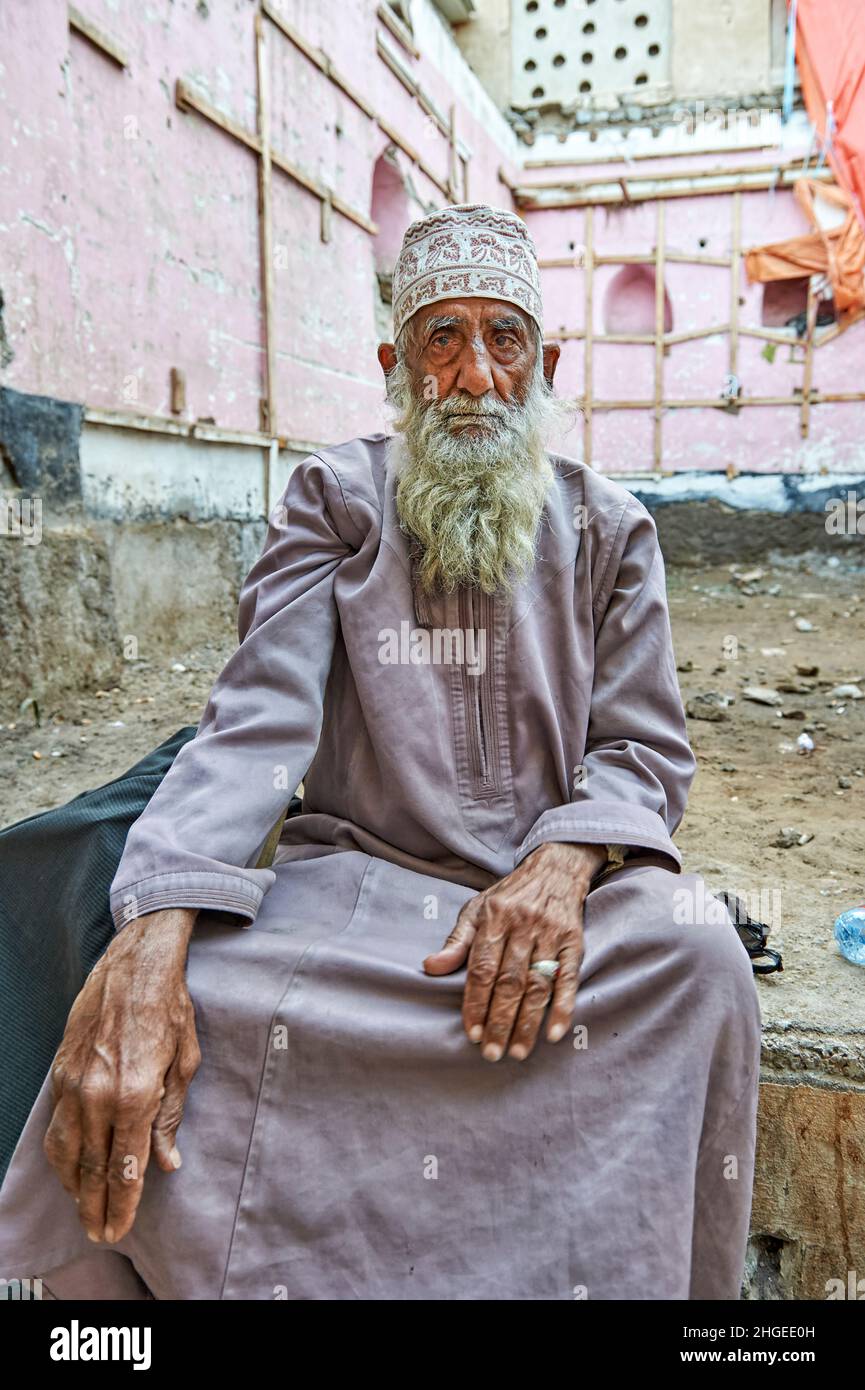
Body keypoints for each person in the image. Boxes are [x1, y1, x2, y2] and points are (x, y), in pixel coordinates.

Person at [0, 203, 761, 1301]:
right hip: (351, 906)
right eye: (438, 340)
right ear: (395, 367)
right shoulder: (336, 498)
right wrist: (155, 925)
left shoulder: (610, 529)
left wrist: (561, 865)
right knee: (184, 1013)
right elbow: (257, 719)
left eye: (502, 339)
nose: (473, 375)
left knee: (701, 966)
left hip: (551, 915)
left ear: (545, 363)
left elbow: (641, 749)